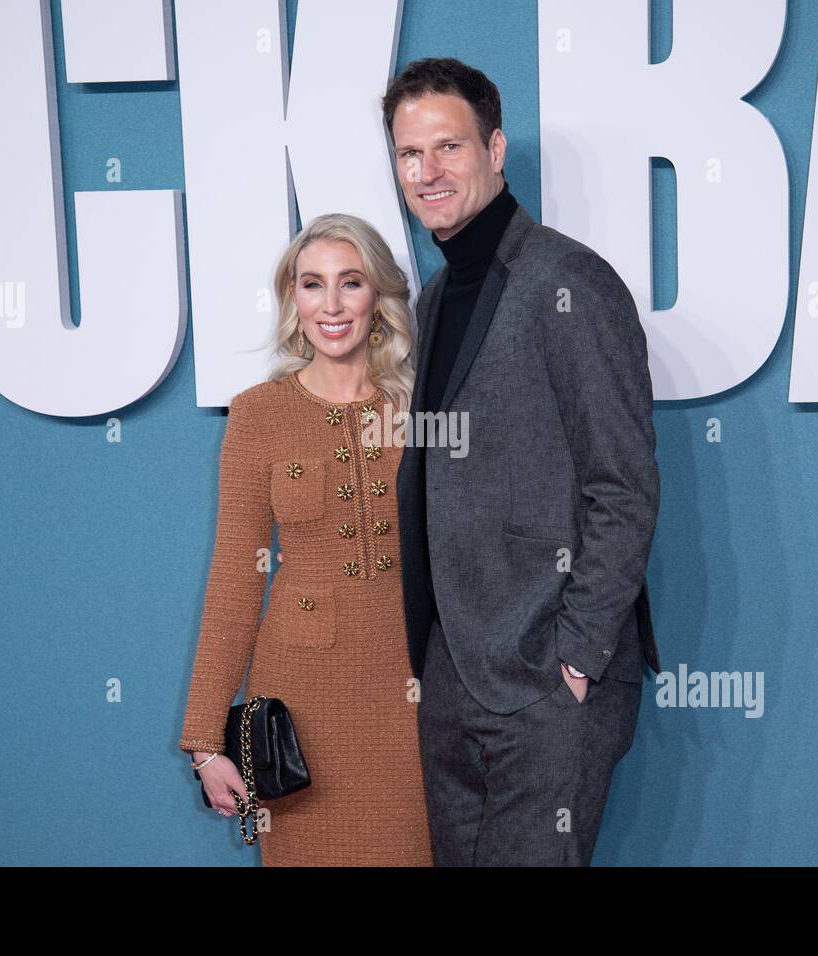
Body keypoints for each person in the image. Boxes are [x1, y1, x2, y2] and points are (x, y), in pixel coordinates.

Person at [383, 58, 662, 865]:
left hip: (546, 675)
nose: (427, 172)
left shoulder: (568, 281)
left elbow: (624, 485)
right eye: (409, 154)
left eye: (449, 147)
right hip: (453, 676)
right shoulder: (435, 301)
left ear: (496, 149)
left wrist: (575, 655)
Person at [177, 213, 431, 866]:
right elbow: (236, 577)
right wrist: (207, 741)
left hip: (415, 694)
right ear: (293, 297)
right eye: (313, 284)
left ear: (379, 295)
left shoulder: (422, 409)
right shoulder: (259, 414)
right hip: (300, 704)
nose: (332, 304)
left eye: (351, 282)